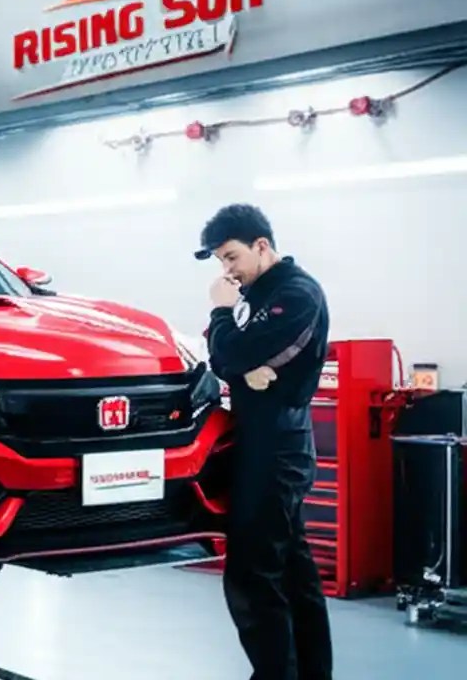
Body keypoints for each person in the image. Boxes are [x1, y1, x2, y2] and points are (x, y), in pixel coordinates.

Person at [193, 203, 333, 680]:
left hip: (279, 448)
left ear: (261, 245)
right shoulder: (254, 296)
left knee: (252, 573)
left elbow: (232, 351)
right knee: (292, 573)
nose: (227, 270)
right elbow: (225, 360)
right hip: (256, 443)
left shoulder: (297, 294)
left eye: (231, 257)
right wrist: (241, 365)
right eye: (220, 262)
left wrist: (220, 314)